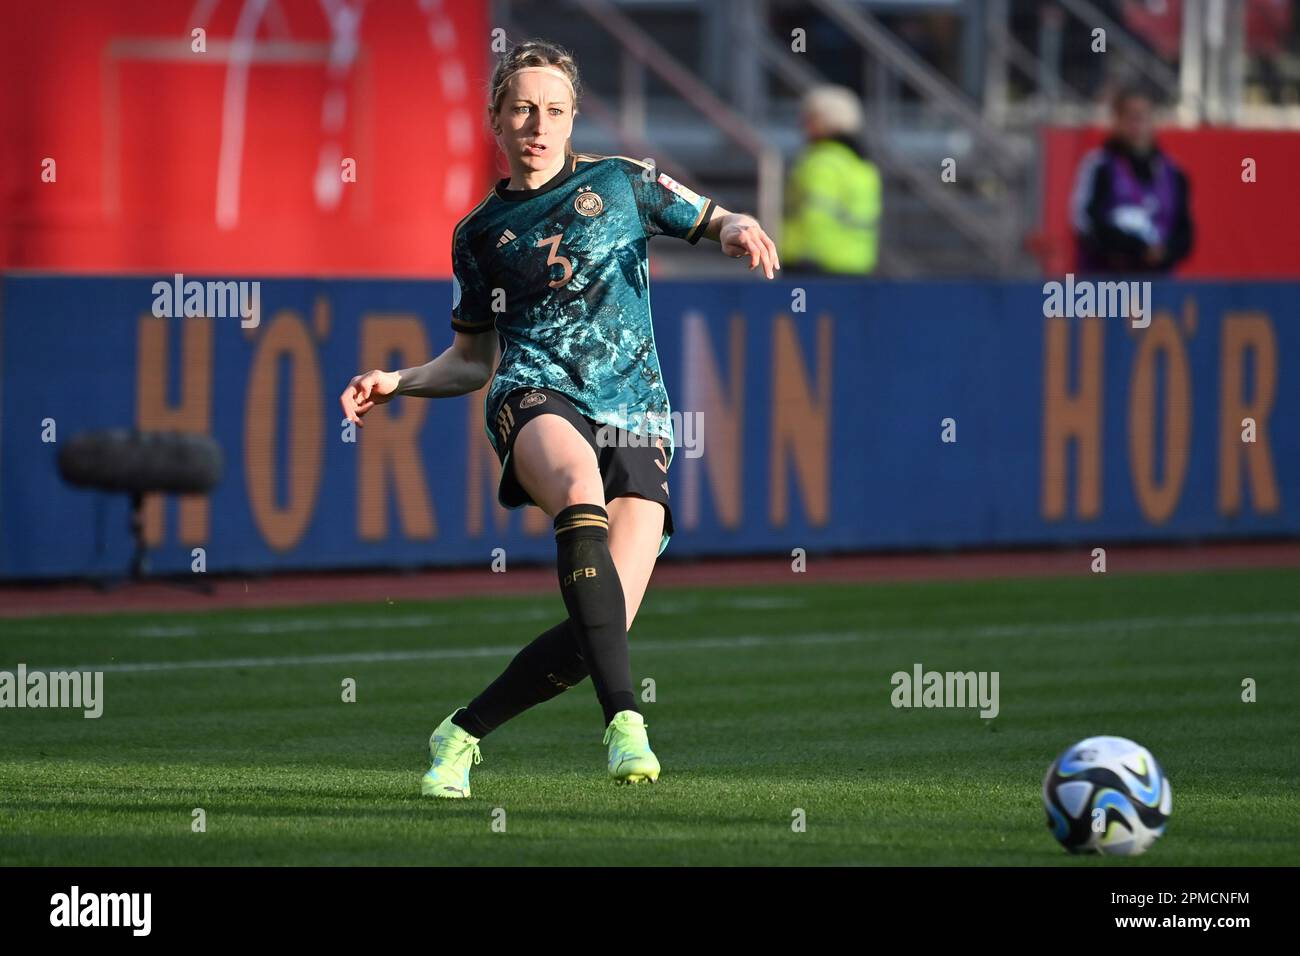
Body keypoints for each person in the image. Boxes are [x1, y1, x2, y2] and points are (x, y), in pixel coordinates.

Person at [339, 39, 780, 797]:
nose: (538, 125)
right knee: (578, 489)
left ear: (574, 118)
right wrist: (398, 380)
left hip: (636, 415)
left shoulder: (624, 181)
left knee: (600, 625)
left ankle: (461, 733)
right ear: (496, 120)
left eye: (553, 110)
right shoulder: (478, 234)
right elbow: (472, 361)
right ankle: (625, 722)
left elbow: (714, 216)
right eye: (522, 109)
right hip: (536, 393)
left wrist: (738, 227)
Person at [1071, 87, 1193, 273]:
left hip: (1158, 281)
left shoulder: (1174, 173)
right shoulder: (1099, 167)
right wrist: (1134, 249)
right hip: (1107, 281)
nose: (1137, 125)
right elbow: (1085, 223)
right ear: (1116, 121)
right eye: (1130, 117)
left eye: (1143, 116)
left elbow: (1184, 233)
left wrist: (1165, 252)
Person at [781, 85, 881, 275]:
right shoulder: (861, 163)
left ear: (824, 121)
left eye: (810, 118)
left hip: (813, 265)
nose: (803, 125)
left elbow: (814, 217)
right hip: (857, 264)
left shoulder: (822, 161)